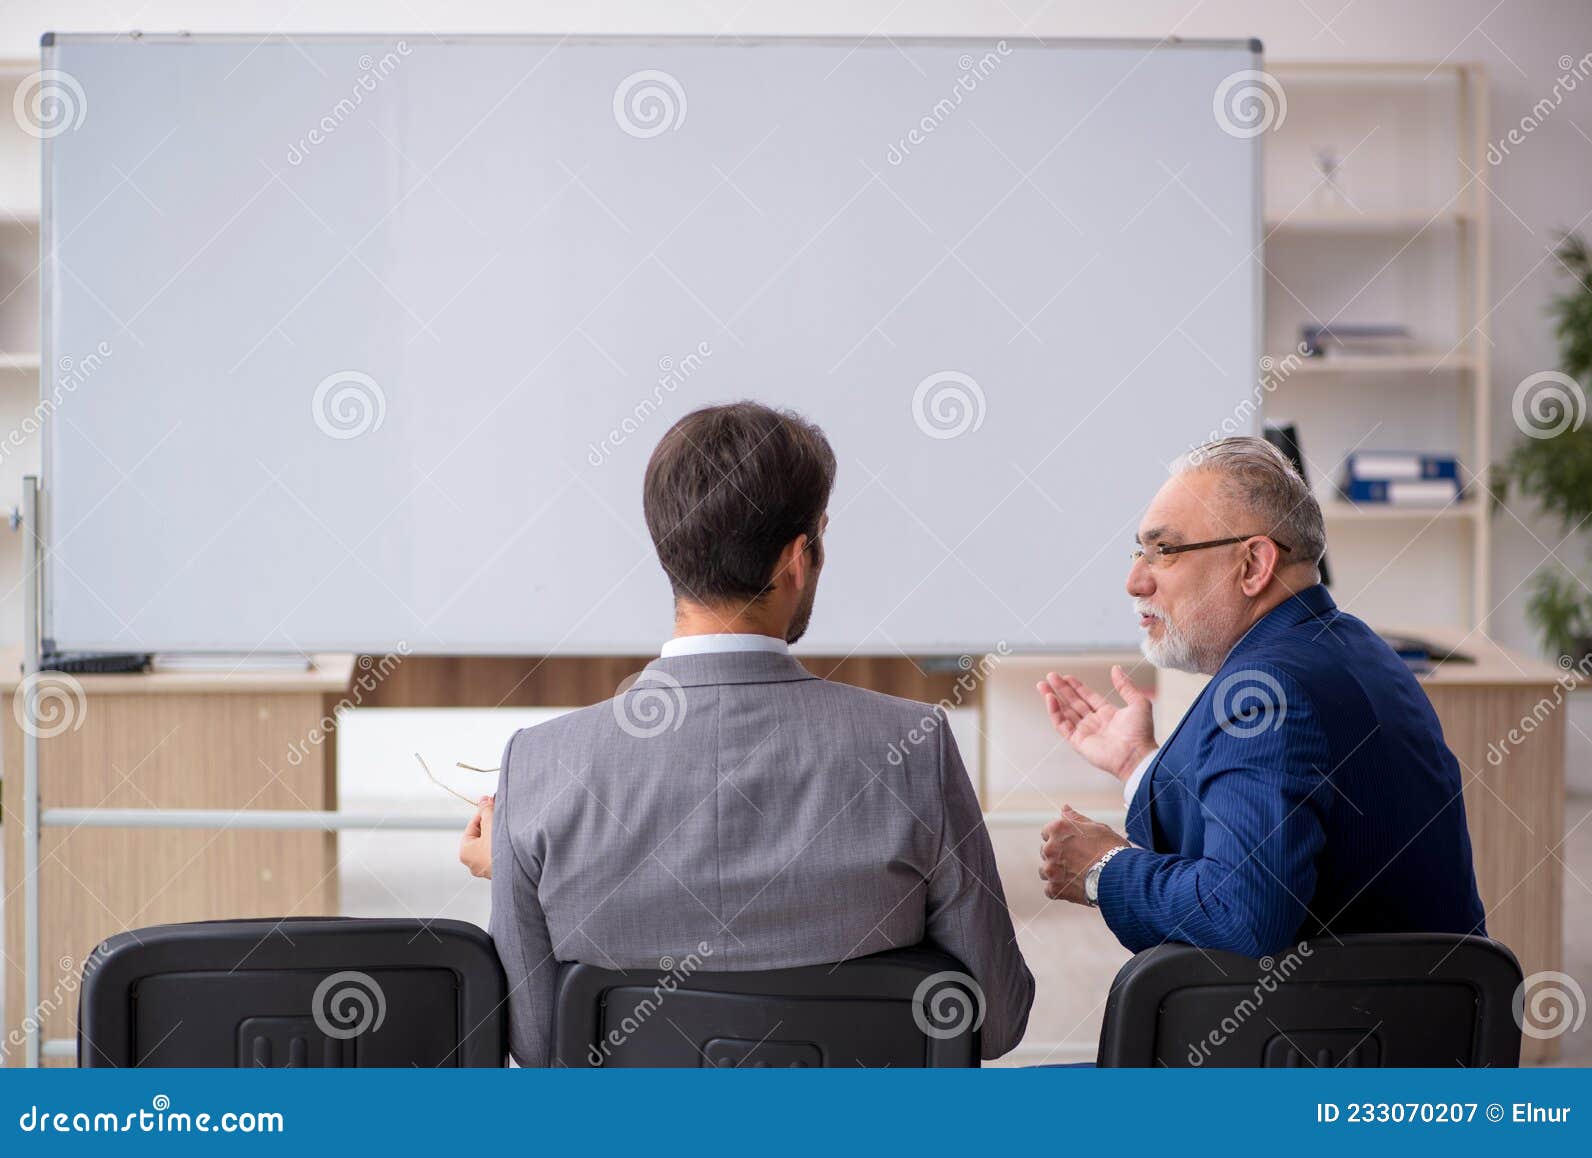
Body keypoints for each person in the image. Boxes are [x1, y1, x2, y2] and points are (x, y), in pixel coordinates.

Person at [460, 400, 1033, 1065]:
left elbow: (534, 1045)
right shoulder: (913, 749)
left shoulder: (541, 767)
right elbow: (994, 1020)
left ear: (668, 549)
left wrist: (519, 876)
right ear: (797, 559)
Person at [1036, 436, 1487, 956]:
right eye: (1141, 550)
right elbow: (1253, 827)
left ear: (1253, 566)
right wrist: (1136, 762)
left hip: (1344, 1028)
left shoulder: (1267, 695)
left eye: (1164, 551)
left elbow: (1241, 914)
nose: (1135, 581)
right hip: (1431, 1011)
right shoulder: (1356, 646)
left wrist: (1103, 868)